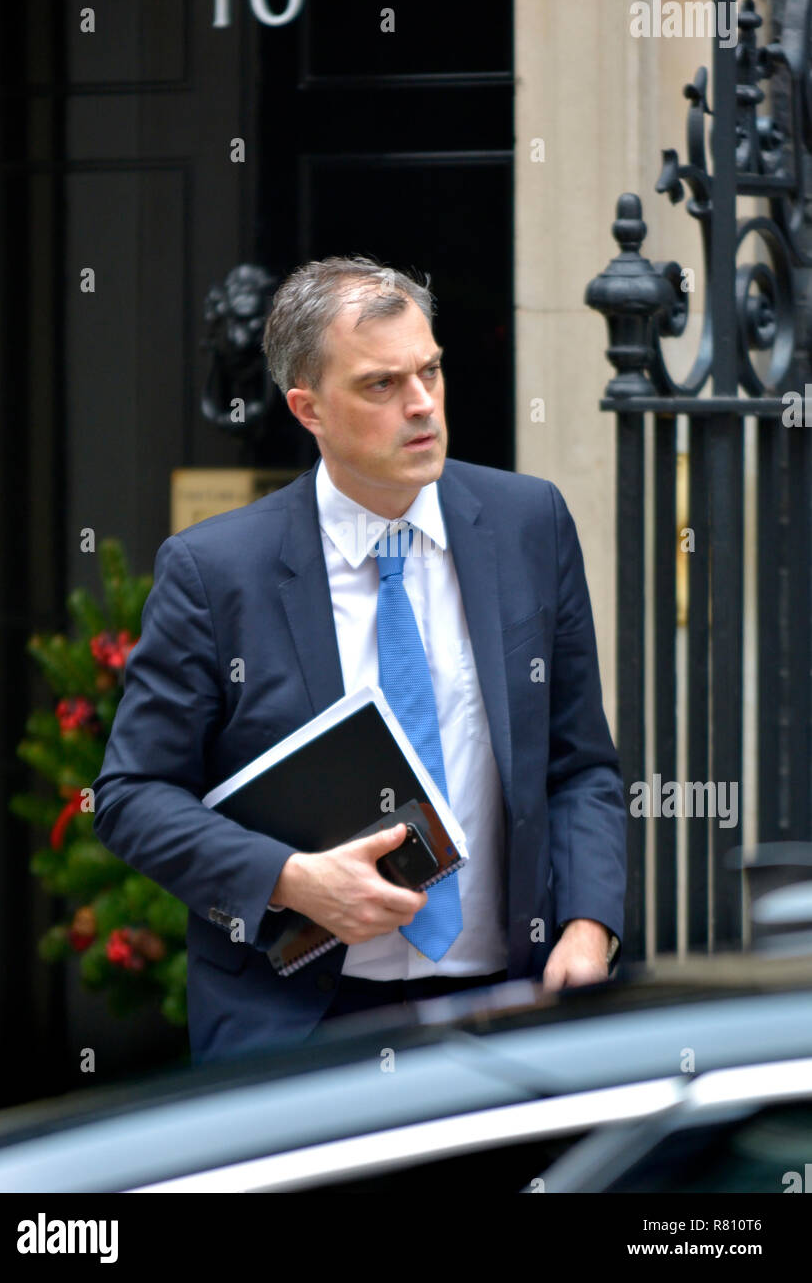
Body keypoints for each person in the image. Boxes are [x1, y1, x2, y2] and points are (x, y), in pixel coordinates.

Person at [93, 255, 627, 1066]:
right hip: (301, 1022)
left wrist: (588, 933)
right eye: (381, 385)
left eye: (430, 371)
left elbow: (579, 766)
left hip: (508, 1005)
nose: (422, 406)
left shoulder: (530, 524)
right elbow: (131, 796)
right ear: (307, 408)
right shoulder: (214, 571)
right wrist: (290, 879)